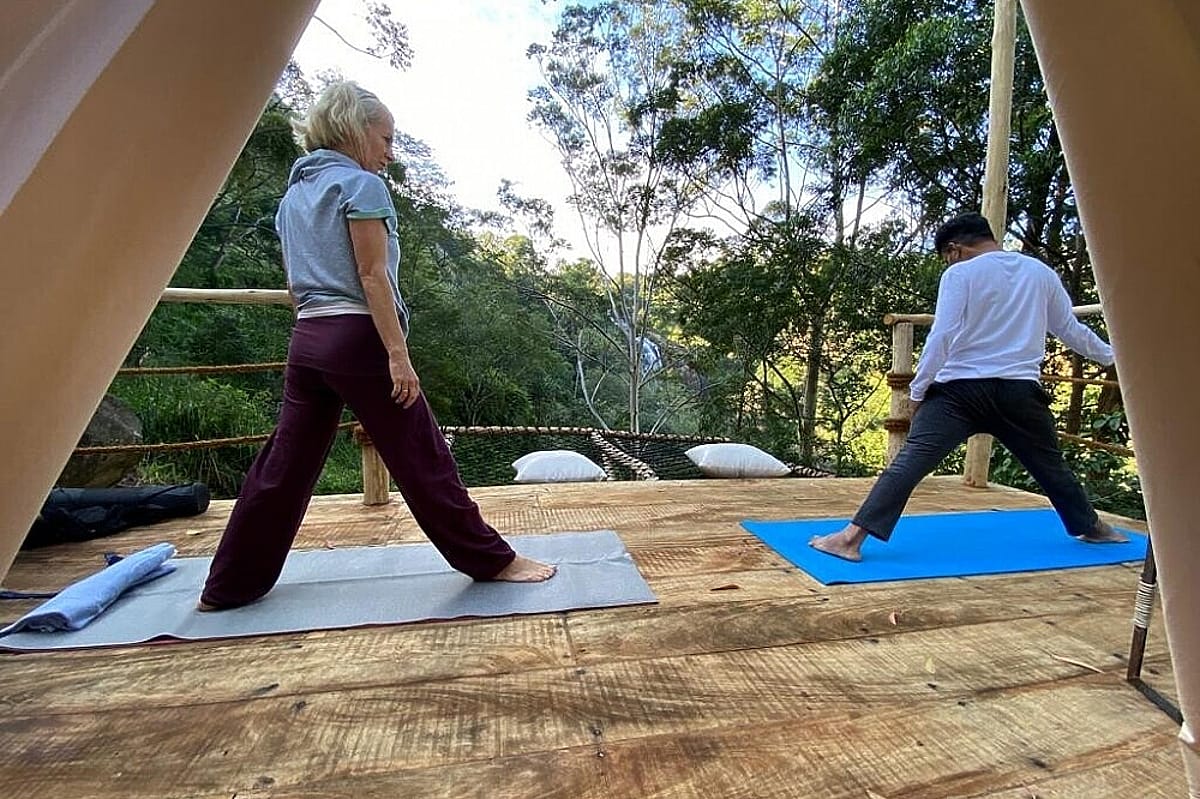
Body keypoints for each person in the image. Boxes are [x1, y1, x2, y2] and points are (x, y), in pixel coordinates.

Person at [199, 82, 555, 610]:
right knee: (422, 456)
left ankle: (226, 587)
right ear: (353, 130)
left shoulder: (295, 195)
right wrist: (397, 355)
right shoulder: (360, 187)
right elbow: (371, 275)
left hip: (308, 342)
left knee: (282, 468)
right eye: (385, 138)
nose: (390, 151)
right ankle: (491, 559)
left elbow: (298, 285)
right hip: (358, 339)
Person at [810, 211, 1128, 562]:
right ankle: (1094, 528)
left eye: (947, 256)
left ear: (955, 249)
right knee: (1051, 467)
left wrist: (917, 393)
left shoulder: (960, 273)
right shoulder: (1039, 273)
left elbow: (941, 336)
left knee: (910, 462)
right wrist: (1118, 361)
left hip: (957, 394)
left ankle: (850, 540)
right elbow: (1070, 330)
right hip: (1018, 394)